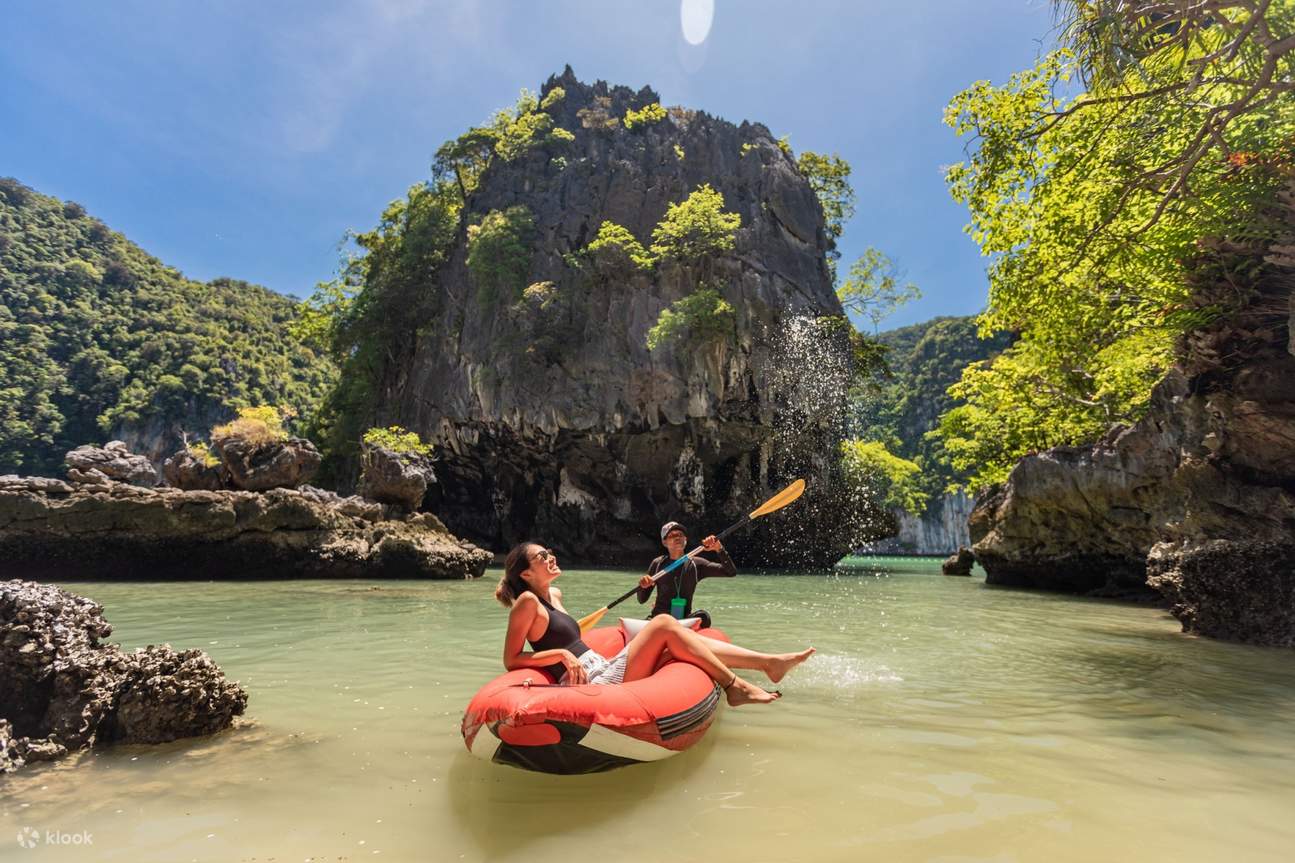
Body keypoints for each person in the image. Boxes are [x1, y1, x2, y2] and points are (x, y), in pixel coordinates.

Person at [495, 541, 814, 706]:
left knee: (678, 642)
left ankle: (768, 663)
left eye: (549, 552)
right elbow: (512, 659)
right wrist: (562, 656)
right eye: (541, 557)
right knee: (662, 624)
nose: (550, 557)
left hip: (603, 665)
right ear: (525, 574)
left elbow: (561, 634)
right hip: (592, 682)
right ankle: (736, 686)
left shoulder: (554, 594)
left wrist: (569, 644)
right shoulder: (527, 602)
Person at [637, 521, 733, 626]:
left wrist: (719, 549)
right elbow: (641, 599)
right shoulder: (658, 564)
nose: (677, 537)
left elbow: (730, 572)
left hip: (683, 622)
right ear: (664, 542)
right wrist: (643, 586)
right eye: (672, 535)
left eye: (680, 535)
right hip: (658, 619)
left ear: (685, 539)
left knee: (704, 616)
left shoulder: (696, 564)